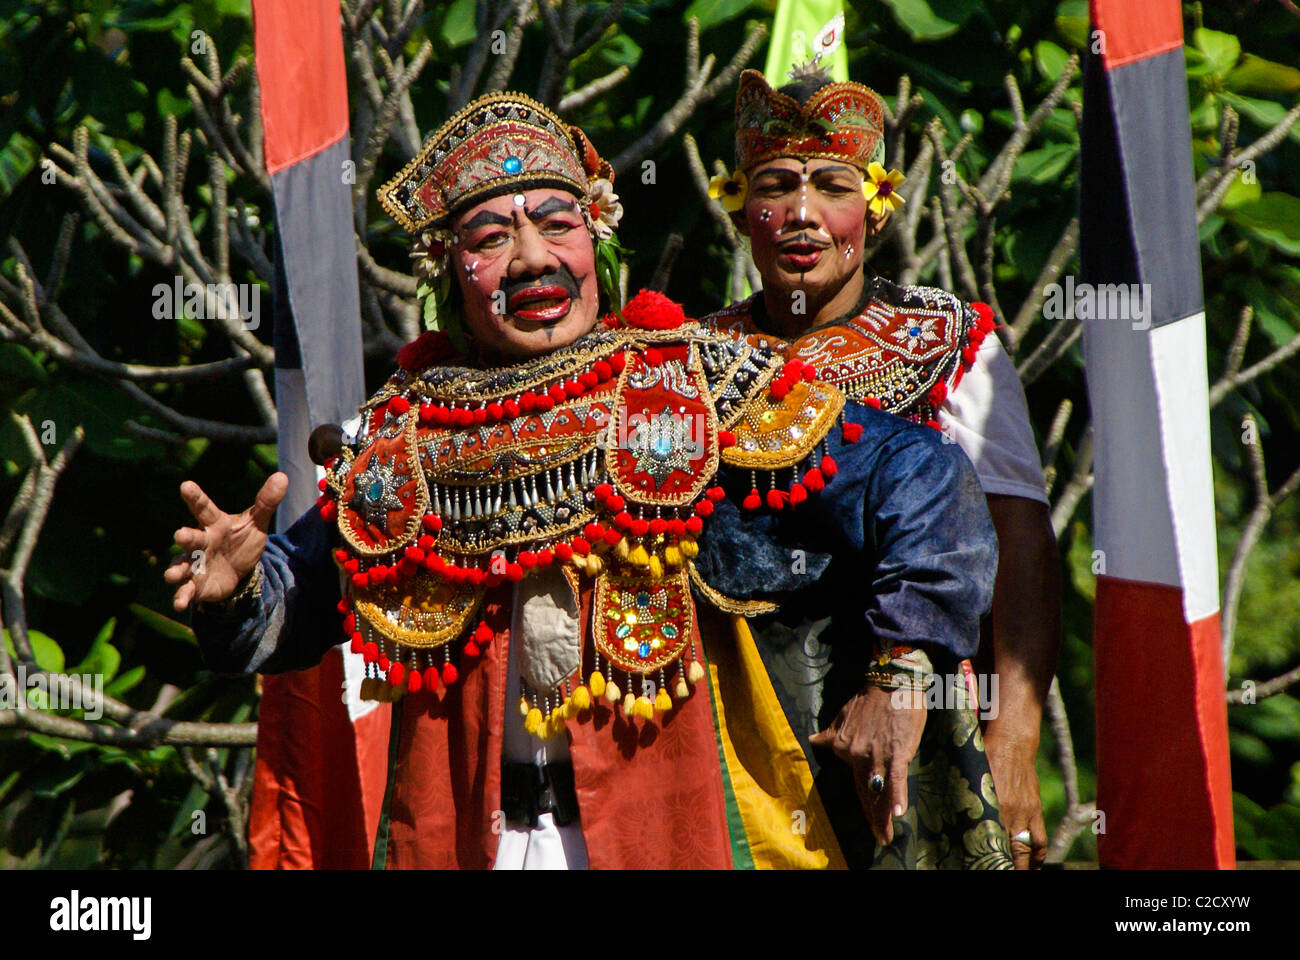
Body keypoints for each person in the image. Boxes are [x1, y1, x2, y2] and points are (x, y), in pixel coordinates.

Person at [168, 90, 1009, 869]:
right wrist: (238, 586)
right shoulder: (403, 434)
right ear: (445, 270)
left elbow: (923, 478)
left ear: (595, 241)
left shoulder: (697, 389)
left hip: (675, 834)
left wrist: (902, 670)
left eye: (556, 224)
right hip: (475, 844)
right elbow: (295, 605)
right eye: (492, 238)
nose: (533, 259)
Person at [700, 65, 1062, 869]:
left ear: (875, 206)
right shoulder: (693, 361)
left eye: (832, 186)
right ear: (739, 209)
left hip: (908, 715)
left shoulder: (948, 344)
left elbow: (1019, 541)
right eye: (775, 186)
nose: (802, 215)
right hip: (735, 721)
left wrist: (1014, 737)